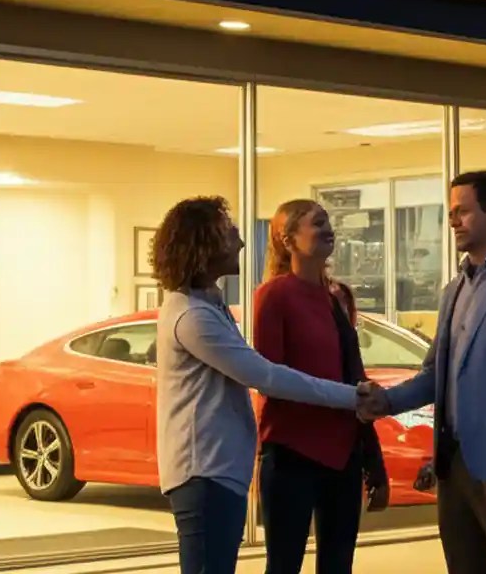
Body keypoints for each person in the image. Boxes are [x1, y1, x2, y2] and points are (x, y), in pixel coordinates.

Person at [358, 170, 486, 574]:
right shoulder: (454, 290)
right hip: (453, 470)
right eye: (450, 213)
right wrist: (386, 401)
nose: (452, 221)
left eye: (462, 211)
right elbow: (436, 374)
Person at [152, 196, 362, 574]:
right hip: (205, 473)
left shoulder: (207, 305)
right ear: (205, 244)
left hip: (221, 471)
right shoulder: (192, 315)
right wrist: (353, 397)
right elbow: (266, 376)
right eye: (231, 234)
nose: (242, 243)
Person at [254, 199, 389, 574]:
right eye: (317, 223)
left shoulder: (337, 298)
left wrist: (372, 460)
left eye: (328, 221)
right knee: (283, 565)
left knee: (338, 565)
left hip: (342, 454)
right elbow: (271, 379)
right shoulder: (273, 296)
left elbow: (355, 376)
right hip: (292, 454)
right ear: (288, 239)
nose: (328, 229)